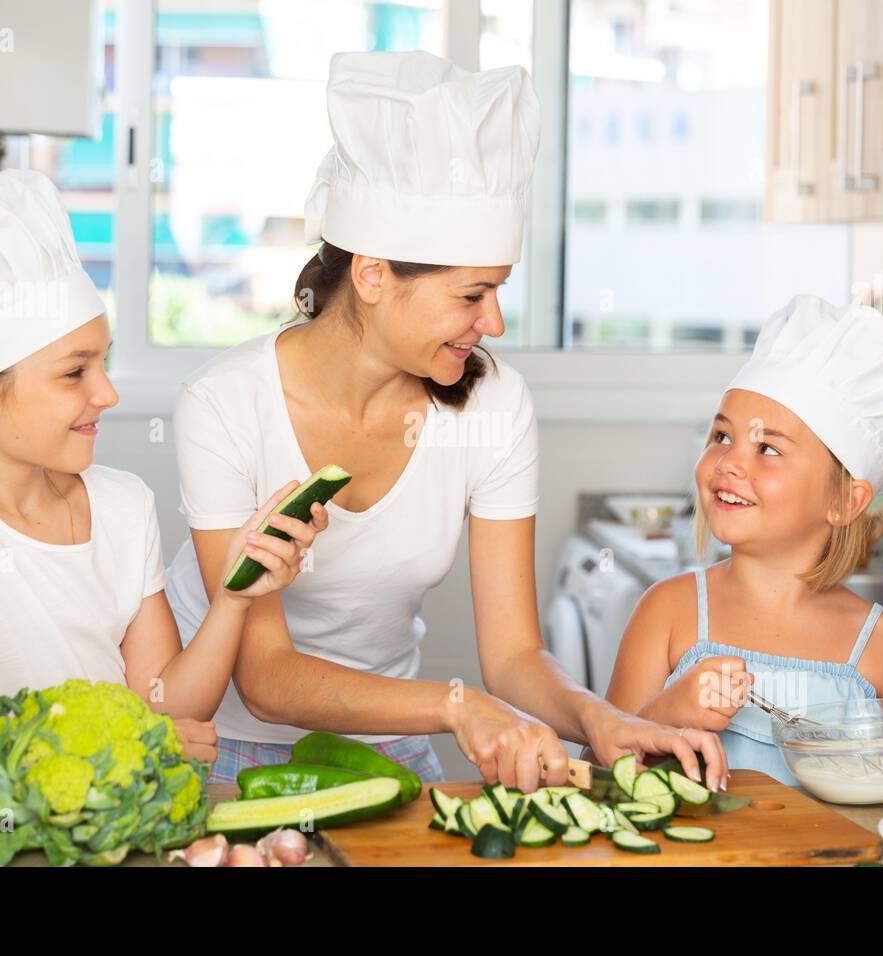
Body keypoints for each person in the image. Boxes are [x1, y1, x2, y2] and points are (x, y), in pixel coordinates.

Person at [165, 50, 727, 791]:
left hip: (389, 742)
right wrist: (459, 707)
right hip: (220, 748)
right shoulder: (223, 405)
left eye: (499, 291)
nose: (493, 321)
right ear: (372, 275)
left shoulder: (494, 404)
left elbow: (514, 655)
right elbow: (267, 679)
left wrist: (598, 719)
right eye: (472, 295)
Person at [0, 169, 326, 788]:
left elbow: (165, 705)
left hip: (109, 832)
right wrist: (96, 754)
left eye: (106, 363)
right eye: (75, 373)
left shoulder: (122, 504)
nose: (108, 392)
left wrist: (233, 596)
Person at [603, 294, 883, 790]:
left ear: (845, 500)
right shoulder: (668, 612)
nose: (729, 462)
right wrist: (665, 715)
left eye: (768, 448)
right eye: (721, 436)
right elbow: (597, 774)